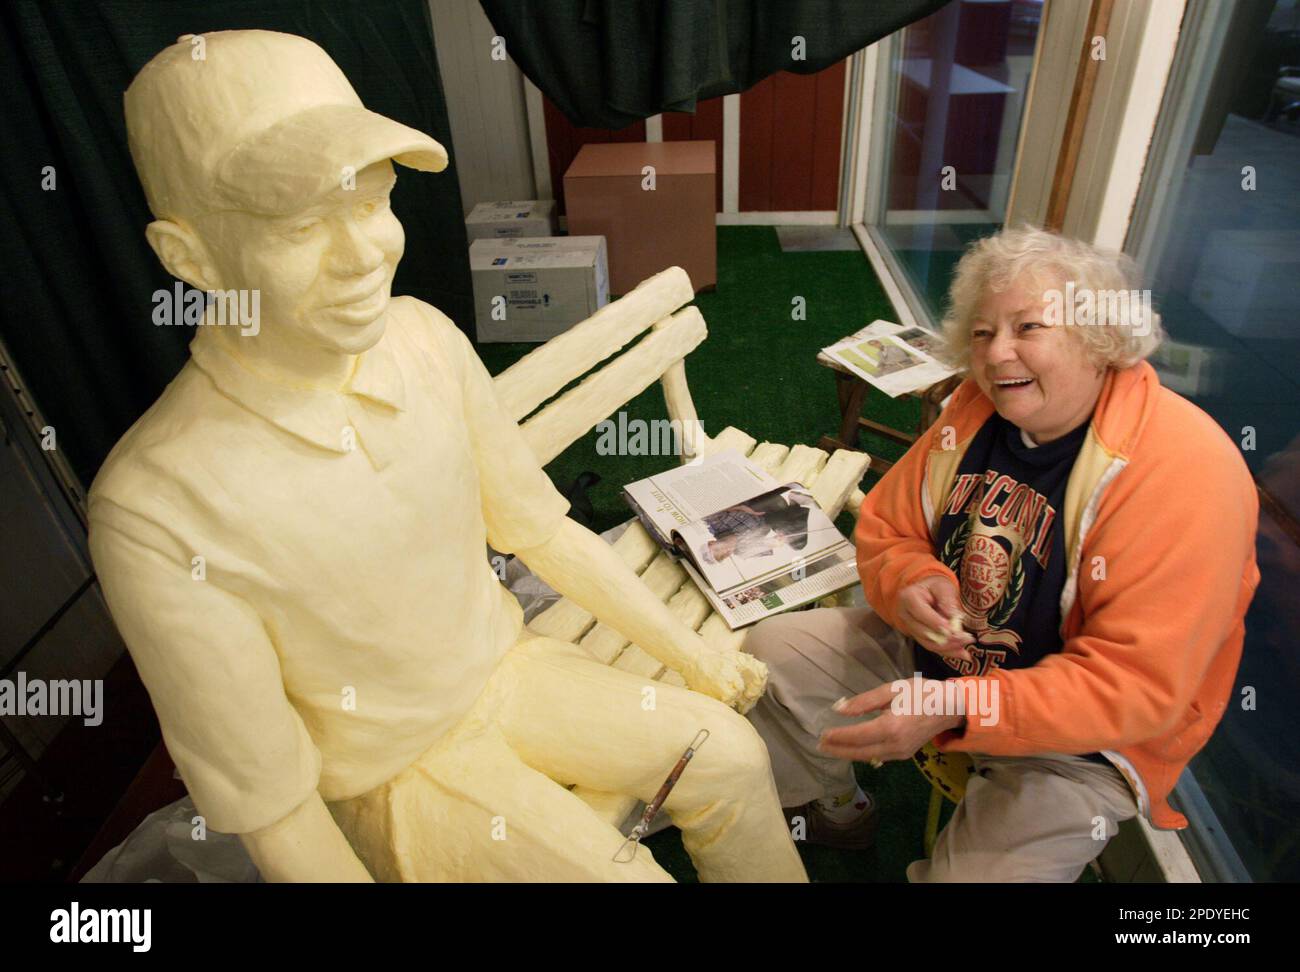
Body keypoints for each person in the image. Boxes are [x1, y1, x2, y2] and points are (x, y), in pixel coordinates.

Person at [89, 30, 806, 883]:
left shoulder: (423, 339)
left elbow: (541, 532)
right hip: (395, 774)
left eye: (370, 201)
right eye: (301, 223)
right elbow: (274, 805)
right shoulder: (157, 507)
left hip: (513, 672)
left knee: (728, 754)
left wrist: (697, 661)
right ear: (189, 258)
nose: (362, 255)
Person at [743, 225, 1260, 881]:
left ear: (1099, 339)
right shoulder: (976, 409)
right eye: (983, 333)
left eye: (1028, 328)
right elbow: (886, 526)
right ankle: (837, 809)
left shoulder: (1186, 471)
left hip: (1080, 743)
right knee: (772, 655)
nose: (995, 354)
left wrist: (964, 707)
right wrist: (910, 578)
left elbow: (1134, 690)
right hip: (939, 662)